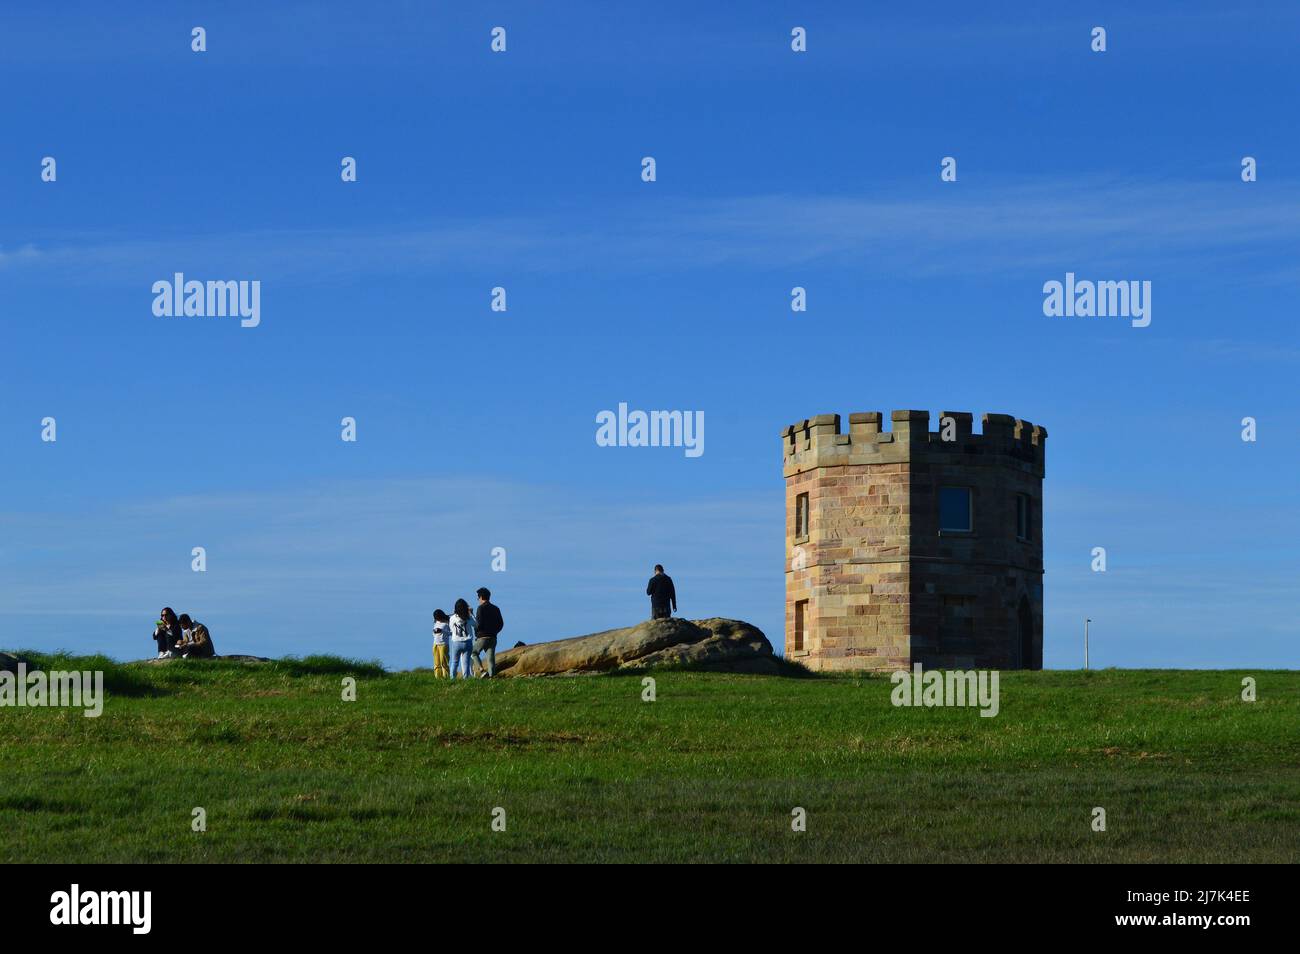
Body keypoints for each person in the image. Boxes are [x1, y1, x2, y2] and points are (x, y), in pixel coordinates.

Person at [472, 587, 504, 679]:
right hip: (493, 637)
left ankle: (482, 670)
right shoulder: (496, 608)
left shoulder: (480, 608)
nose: (478, 599)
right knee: (490, 659)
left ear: (481, 597)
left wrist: (477, 632)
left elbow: (479, 623)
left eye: (478, 597)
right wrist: (495, 632)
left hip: (482, 637)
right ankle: (491, 677)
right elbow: (501, 623)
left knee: (473, 653)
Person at [448, 599, 477, 679]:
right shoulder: (468, 617)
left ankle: (452, 678)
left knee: (454, 662)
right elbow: (476, 624)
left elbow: (451, 628)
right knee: (466, 663)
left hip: (456, 642)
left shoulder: (452, 618)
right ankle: (465, 678)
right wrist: (471, 613)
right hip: (467, 642)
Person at [432, 609, 451, 678]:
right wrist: (434, 632)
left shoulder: (447, 622)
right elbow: (433, 634)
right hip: (435, 644)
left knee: (444, 662)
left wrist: (442, 631)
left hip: (444, 644)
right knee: (436, 663)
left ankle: (446, 677)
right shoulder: (436, 622)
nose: (437, 619)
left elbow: (451, 633)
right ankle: (437, 678)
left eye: (437, 617)